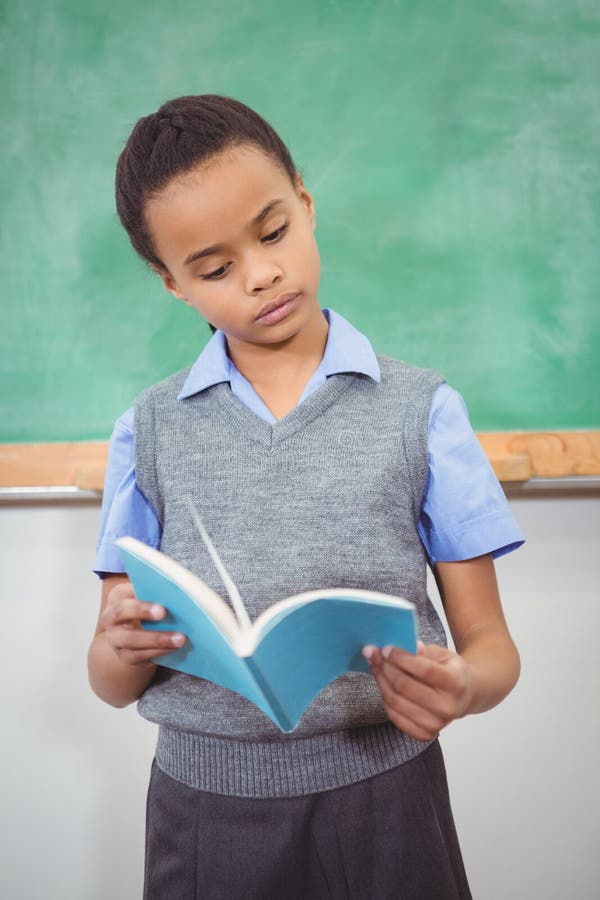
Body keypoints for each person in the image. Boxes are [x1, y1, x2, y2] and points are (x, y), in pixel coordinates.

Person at [88, 95, 523, 899]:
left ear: (306, 203)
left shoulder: (422, 410)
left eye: (274, 230)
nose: (261, 274)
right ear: (171, 283)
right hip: (205, 810)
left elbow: (492, 650)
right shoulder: (146, 430)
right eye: (215, 269)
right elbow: (111, 678)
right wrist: (117, 650)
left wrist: (463, 687)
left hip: (387, 799)